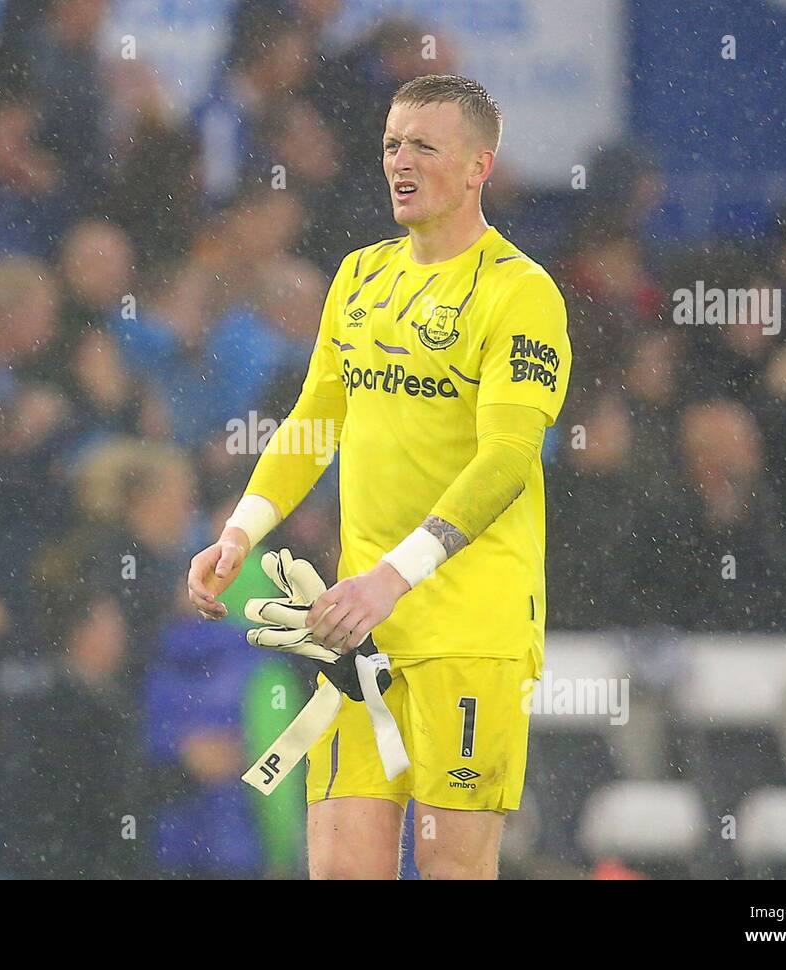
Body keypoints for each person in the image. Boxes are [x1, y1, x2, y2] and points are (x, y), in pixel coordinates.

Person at [187, 75, 572, 879]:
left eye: (425, 145)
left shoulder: (521, 294)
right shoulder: (361, 276)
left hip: (469, 633)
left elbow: (505, 459)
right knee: (338, 869)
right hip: (360, 633)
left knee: (451, 869)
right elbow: (313, 422)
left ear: (478, 167)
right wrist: (240, 530)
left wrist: (395, 576)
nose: (401, 160)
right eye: (393, 143)